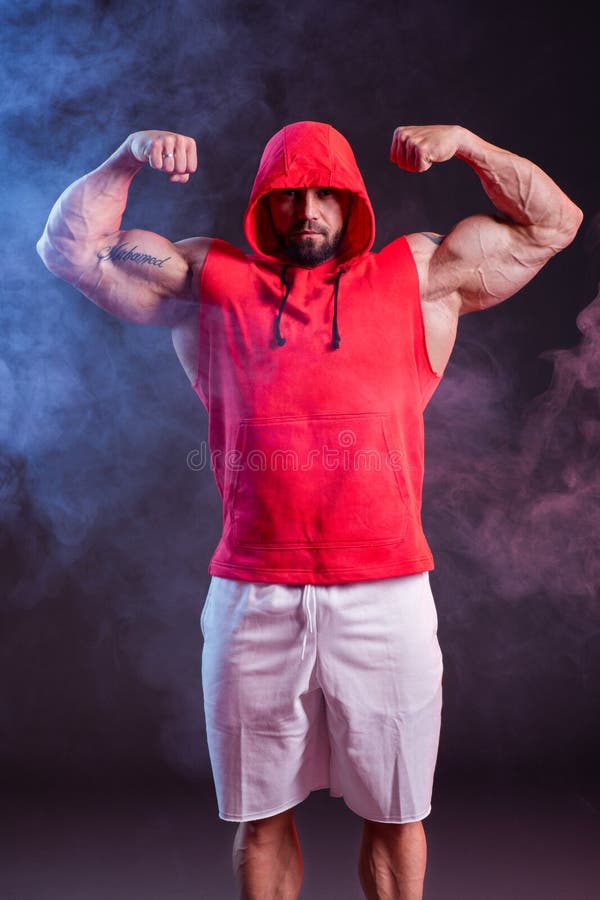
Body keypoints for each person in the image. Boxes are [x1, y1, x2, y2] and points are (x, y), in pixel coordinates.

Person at [37, 121, 582, 900]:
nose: (308, 210)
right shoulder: (211, 281)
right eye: (290, 195)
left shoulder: (418, 276)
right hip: (253, 595)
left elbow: (553, 224)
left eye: (326, 193)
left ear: (353, 201)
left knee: (397, 815)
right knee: (260, 822)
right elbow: (70, 250)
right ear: (265, 203)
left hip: (386, 594)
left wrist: (466, 144)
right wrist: (128, 155)